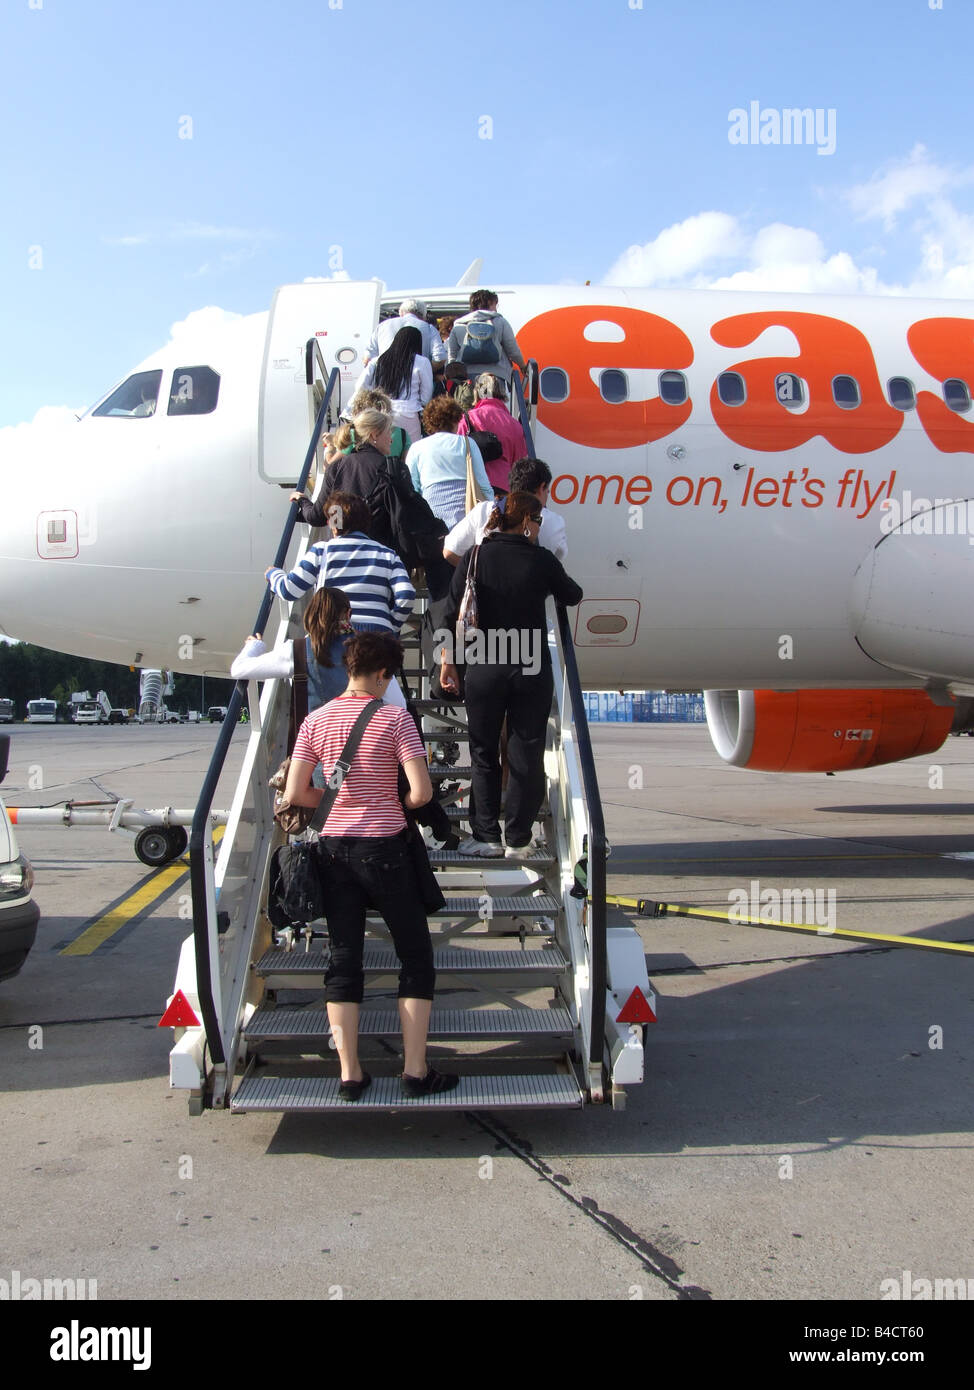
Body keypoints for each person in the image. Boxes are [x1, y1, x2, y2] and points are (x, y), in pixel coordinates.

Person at [284, 632, 459, 1100]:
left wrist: (341, 801)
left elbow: (295, 794)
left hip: (333, 850)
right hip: (386, 851)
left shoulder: (315, 721)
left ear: (349, 668)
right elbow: (421, 794)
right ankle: (416, 1071)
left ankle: (349, 1074)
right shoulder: (396, 719)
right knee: (415, 956)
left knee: (344, 960)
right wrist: (388, 800)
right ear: (382, 674)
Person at [440, 493, 583, 858]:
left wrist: (448, 661)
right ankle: (519, 839)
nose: (537, 529)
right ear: (526, 522)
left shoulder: (474, 557)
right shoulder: (540, 559)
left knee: (484, 752)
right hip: (530, 667)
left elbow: (450, 609)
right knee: (526, 751)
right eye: (536, 522)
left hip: (485, 667)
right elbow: (573, 594)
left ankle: (486, 837)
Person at [264, 492, 414, 688]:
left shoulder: (323, 550)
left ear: (333, 523)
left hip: (334, 635)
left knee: (334, 693)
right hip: (377, 637)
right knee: (379, 696)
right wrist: (390, 625)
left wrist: (273, 574)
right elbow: (406, 596)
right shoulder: (387, 554)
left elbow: (290, 589)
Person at [230, 586, 356, 708]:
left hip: (316, 728)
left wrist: (255, 646)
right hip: (365, 728)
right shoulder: (367, 648)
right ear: (348, 613)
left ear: (311, 614)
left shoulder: (297, 650)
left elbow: (238, 669)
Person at [443, 457, 568, 565]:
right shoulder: (555, 522)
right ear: (542, 487)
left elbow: (450, 551)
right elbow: (556, 563)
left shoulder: (484, 510)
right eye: (547, 490)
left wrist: (476, 574)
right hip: (531, 591)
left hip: (486, 591)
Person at [406, 397, 491, 532]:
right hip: (465, 517)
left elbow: (413, 489)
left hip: (431, 517)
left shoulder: (417, 448)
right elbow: (483, 484)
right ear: (455, 420)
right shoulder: (467, 443)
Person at [352, 326, 432, 444]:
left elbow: (360, 386)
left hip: (380, 412)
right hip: (408, 413)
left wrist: (374, 397)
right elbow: (426, 396)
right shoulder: (421, 361)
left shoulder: (377, 361)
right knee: (408, 454)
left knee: (381, 451)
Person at [456, 374, 527, 494]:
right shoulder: (515, 425)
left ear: (477, 392)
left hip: (474, 486)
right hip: (504, 487)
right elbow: (519, 464)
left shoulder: (468, 418)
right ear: (501, 392)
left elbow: (457, 454)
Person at [447, 289, 526, 386]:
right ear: (489, 303)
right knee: (494, 401)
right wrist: (523, 366)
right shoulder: (500, 322)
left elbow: (452, 356)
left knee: (470, 400)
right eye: (494, 304)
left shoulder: (459, 325)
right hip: (496, 376)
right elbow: (512, 350)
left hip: (468, 376)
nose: (496, 308)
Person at [363, 299, 446, 368]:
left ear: (401, 312)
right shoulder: (430, 329)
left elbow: (368, 358)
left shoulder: (382, 326)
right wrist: (426, 371)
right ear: (424, 316)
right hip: (416, 384)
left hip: (384, 382)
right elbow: (440, 358)